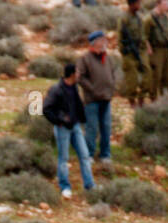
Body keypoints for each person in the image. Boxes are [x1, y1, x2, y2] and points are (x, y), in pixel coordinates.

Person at [42, 64, 94, 200]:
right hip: (62, 128)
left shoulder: (74, 87)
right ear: (71, 74)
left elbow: (77, 105)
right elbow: (46, 109)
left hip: (75, 127)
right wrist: (59, 121)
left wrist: (81, 119)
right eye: (77, 72)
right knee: (63, 158)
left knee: (84, 155)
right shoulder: (57, 90)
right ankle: (65, 187)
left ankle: (90, 186)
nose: (78, 74)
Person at [76, 31, 117, 166]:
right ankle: (88, 155)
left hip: (106, 98)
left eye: (105, 40)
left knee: (106, 127)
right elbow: (80, 77)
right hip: (92, 100)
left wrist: (112, 88)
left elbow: (112, 74)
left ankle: (105, 154)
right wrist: (92, 89)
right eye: (102, 40)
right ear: (94, 43)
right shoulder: (85, 59)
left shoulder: (108, 58)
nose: (105, 42)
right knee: (91, 128)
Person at [119, 0, 149, 106]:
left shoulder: (139, 18)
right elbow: (120, 37)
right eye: (137, 3)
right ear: (131, 5)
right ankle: (132, 99)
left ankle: (142, 98)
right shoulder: (124, 19)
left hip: (139, 50)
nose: (139, 5)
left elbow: (142, 35)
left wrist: (144, 47)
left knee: (148, 73)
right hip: (129, 52)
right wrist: (124, 52)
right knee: (132, 78)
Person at [143, 0, 168, 101]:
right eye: (164, 4)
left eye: (167, 4)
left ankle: (165, 97)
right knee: (156, 75)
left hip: (166, 49)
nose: (167, 6)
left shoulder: (166, 17)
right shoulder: (149, 19)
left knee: (167, 75)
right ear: (158, 5)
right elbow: (144, 36)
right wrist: (148, 49)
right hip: (155, 50)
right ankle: (153, 98)